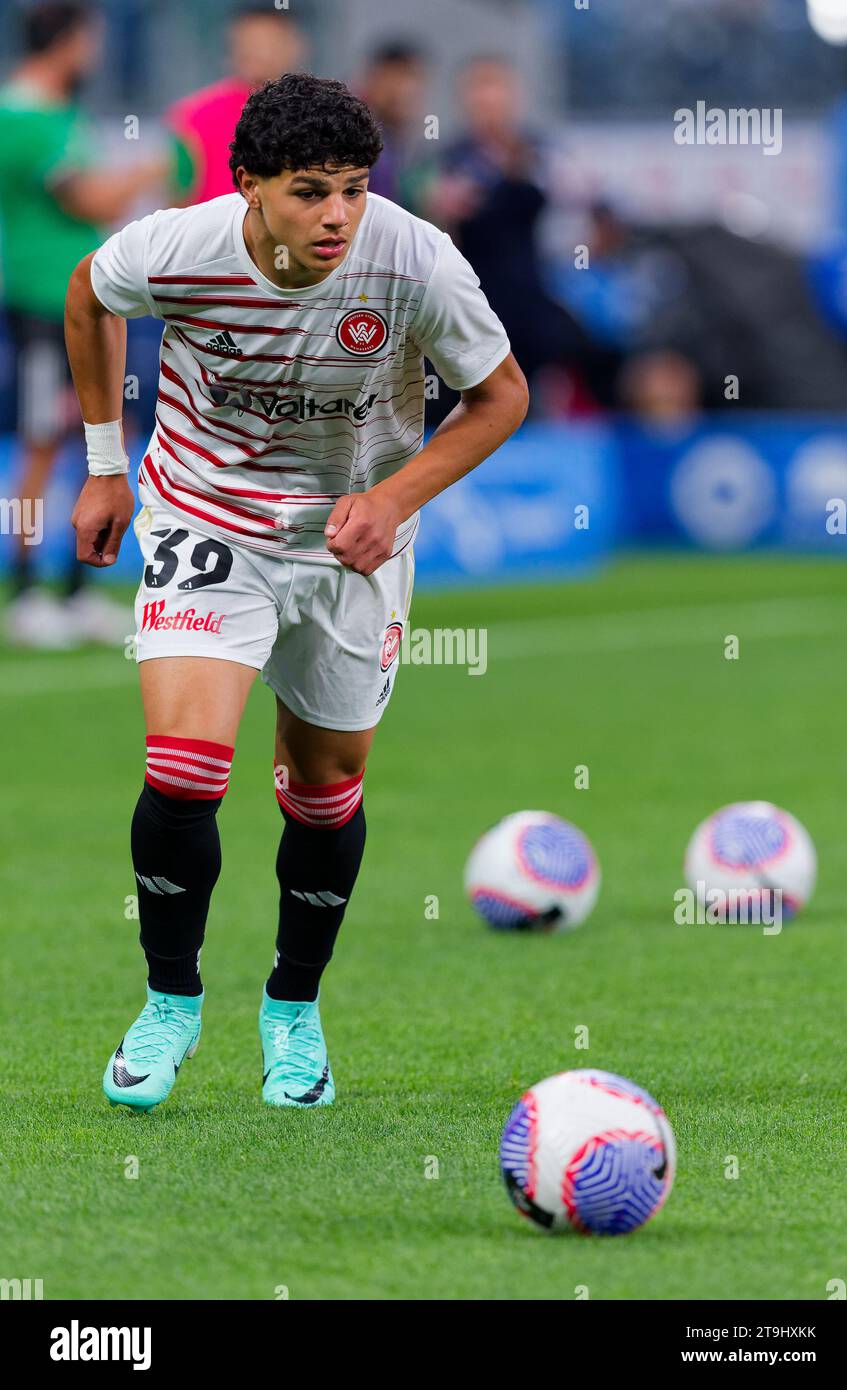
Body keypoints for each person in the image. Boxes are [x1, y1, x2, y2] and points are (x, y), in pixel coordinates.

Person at [65, 72, 528, 1112]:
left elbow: (500, 396)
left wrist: (393, 495)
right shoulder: (177, 248)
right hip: (205, 517)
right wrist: (104, 463)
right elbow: (89, 289)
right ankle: (169, 1002)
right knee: (184, 767)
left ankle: (292, 1006)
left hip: (349, 548)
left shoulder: (412, 259)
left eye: (354, 190)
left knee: (322, 792)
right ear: (248, 188)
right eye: (310, 191)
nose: (337, 217)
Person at [0, 0, 170, 647]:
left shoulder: (57, 112)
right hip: (45, 303)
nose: (96, 51)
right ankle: (24, 594)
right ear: (67, 42)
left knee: (101, 434)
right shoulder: (24, 116)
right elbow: (92, 198)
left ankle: (73, 591)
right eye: (90, 39)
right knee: (43, 439)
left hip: (86, 302)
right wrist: (155, 165)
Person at [428, 56, 620, 418]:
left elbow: (591, 209)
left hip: (534, 300)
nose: (487, 101)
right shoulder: (449, 160)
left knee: (591, 360)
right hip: (476, 300)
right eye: (478, 91)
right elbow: (430, 223)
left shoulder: (543, 154)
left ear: (514, 97)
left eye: (495, 89)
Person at [164, 1, 307, 207]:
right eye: (247, 42)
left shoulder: (317, 113)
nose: (256, 53)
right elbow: (177, 205)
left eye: (267, 44)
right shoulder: (195, 116)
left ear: (294, 46)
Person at [358, 41, 435, 216]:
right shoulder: (358, 141)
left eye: (415, 79)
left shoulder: (402, 141)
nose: (407, 90)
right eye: (398, 78)